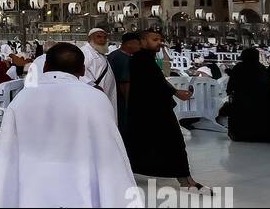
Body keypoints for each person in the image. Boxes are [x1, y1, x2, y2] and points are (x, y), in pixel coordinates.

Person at [0, 42, 142, 209]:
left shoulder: (22, 99)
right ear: (82, 70)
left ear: (45, 67)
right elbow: (110, 154)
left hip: (32, 191)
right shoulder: (95, 99)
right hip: (82, 190)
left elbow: (6, 155)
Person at [125, 28, 203, 189]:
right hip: (152, 111)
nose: (159, 42)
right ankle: (185, 180)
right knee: (172, 144)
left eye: (160, 39)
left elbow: (158, 81)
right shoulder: (140, 60)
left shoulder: (146, 59)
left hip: (156, 110)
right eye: (155, 39)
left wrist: (174, 92)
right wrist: (175, 92)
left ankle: (186, 179)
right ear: (143, 42)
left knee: (173, 144)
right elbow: (154, 83)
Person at [225, 48, 270, 143]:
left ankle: (241, 135)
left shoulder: (239, 67)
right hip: (260, 100)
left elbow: (232, 82)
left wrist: (229, 91)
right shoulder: (261, 67)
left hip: (242, 99)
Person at [106, 32, 140, 140]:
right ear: (130, 44)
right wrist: (128, 104)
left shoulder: (114, 55)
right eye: (138, 44)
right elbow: (124, 83)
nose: (139, 47)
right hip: (121, 100)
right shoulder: (123, 59)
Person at [81, 28, 117, 111]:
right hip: (93, 95)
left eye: (105, 37)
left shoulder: (98, 52)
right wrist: (93, 86)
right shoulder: (85, 52)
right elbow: (79, 74)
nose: (102, 40)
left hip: (104, 94)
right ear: (90, 39)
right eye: (99, 37)